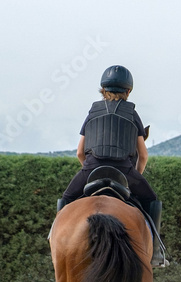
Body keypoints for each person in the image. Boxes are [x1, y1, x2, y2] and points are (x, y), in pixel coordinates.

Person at [59, 65, 168, 267]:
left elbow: (79, 152)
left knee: (66, 199)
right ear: (128, 91)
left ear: (103, 90)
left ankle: (57, 243)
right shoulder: (132, 114)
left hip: (91, 168)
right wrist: (134, 175)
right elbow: (142, 155)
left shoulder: (92, 112)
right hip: (125, 170)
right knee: (152, 201)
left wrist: (88, 169)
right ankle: (156, 253)